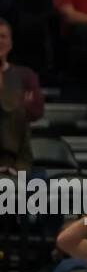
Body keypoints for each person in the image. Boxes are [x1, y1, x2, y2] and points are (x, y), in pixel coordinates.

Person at [0, 17, 43, 173]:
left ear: (10, 43)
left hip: (17, 153)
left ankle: (13, 164)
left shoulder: (25, 75)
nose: (0, 41)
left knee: (15, 108)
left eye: (3, 36)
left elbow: (36, 111)